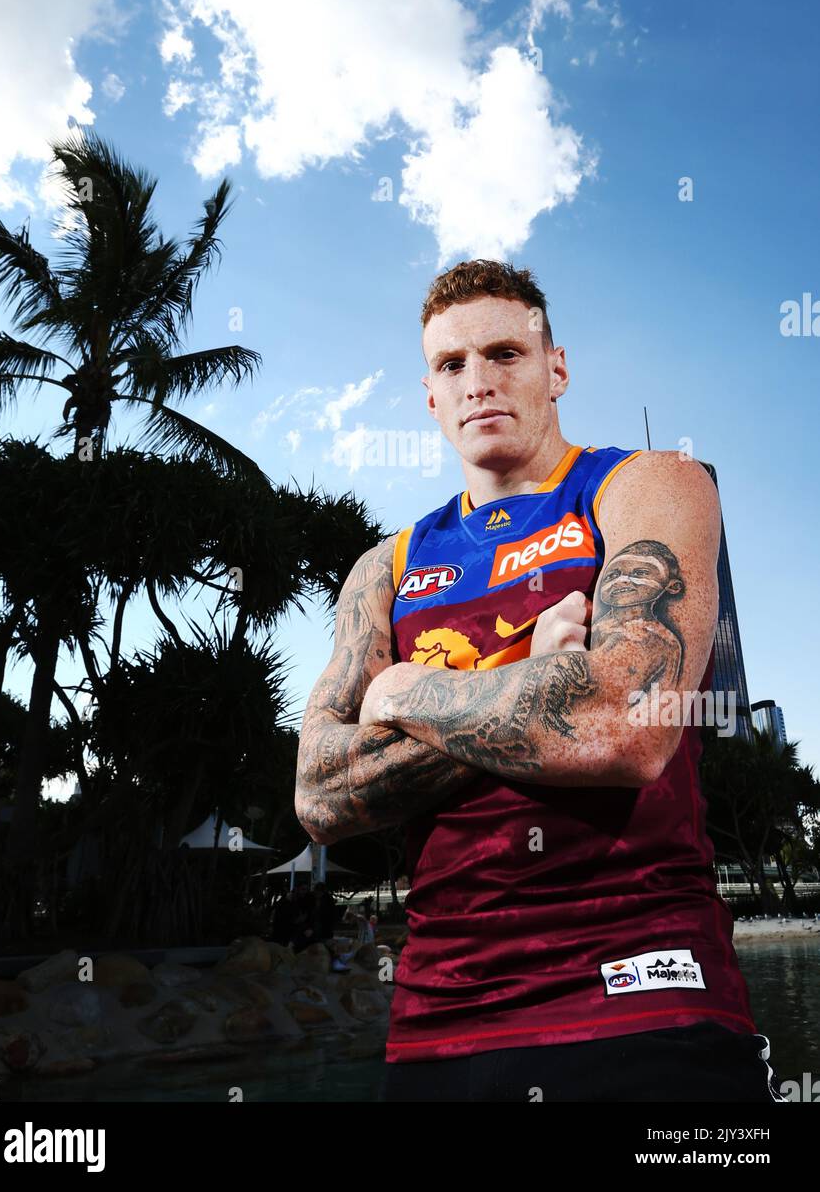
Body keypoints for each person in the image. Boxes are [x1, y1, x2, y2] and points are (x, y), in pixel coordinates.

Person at [294, 259, 786, 1104]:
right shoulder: (388, 568)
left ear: (556, 368)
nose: (478, 382)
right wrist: (536, 676)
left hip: (650, 998)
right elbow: (323, 793)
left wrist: (409, 694)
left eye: (504, 354)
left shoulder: (649, 487)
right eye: (452, 365)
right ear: (430, 396)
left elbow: (626, 726)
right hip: (439, 1024)